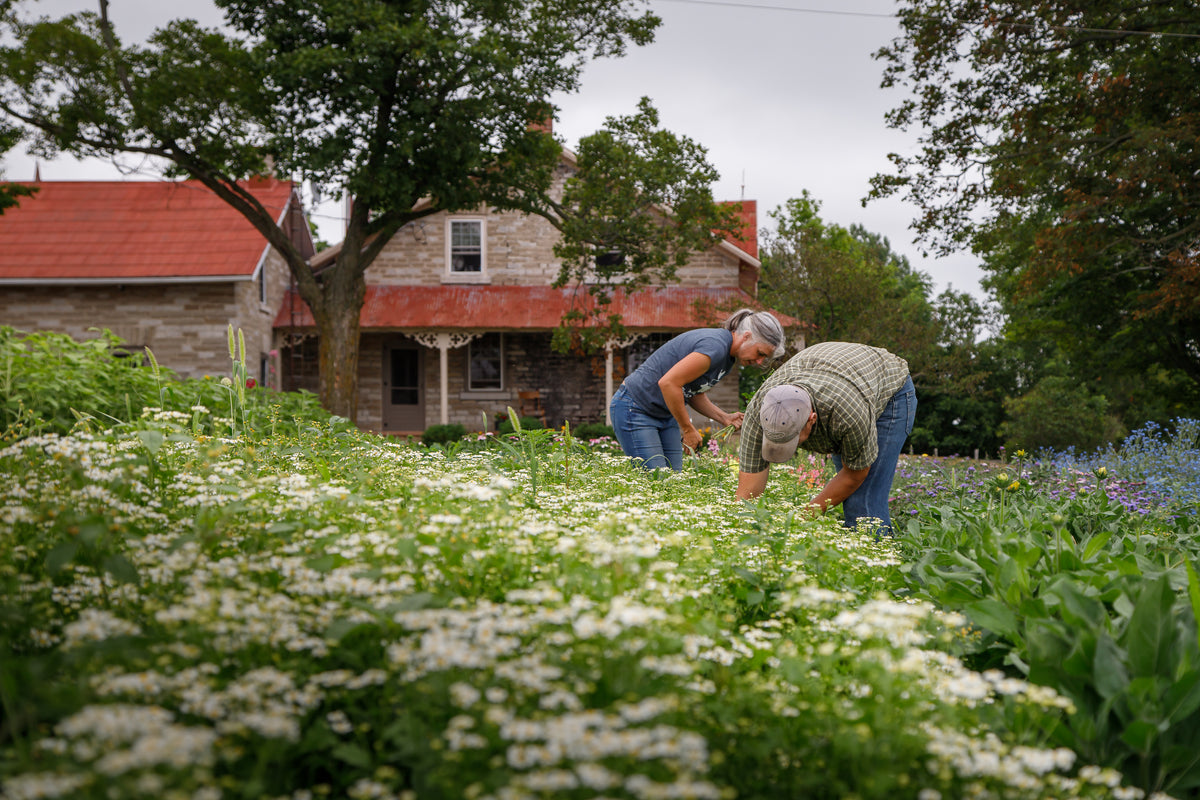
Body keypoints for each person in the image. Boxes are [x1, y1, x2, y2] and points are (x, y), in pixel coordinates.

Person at [735, 341, 916, 535]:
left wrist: (798, 520)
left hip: (889, 391)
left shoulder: (847, 414)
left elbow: (854, 475)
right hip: (836, 372)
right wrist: (739, 531)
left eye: (791, 441)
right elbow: (748, 494)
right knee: (846, 496)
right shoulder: (759, 411)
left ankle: (879, 560)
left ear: (811, 420)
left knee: (862, 505)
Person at [610, 309, 786, 471]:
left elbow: (691, 391)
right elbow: (669, 383)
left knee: (673, 480)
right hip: (635, 408)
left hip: (664, 414)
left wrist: (723, 417)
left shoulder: (727, 358)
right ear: (746, 337)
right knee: (656, 481)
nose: (759, 361)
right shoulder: (715, 347)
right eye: (760, 353)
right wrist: (688, 429)